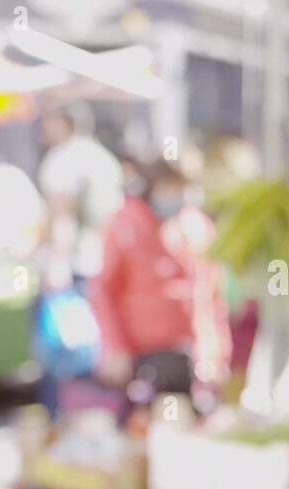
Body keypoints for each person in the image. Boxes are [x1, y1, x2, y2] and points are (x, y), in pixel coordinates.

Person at [88, 158, 231, 403]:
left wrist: (215, 352)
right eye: (169, 188)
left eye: (181, 188)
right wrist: (114, 347)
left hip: (192, 356)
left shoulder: (196, 226)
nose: (176, 196)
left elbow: (212, 296)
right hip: (142, 358)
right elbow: (103, 293)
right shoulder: (126, 225)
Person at [37, 104, 124, 289]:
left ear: (65, 123)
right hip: (108, 256)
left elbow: (63, 213)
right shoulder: (102, 156)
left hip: (77, 260)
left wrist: (59, 262)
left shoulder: (63, 158)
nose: (42, 125)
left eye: (49, 119)